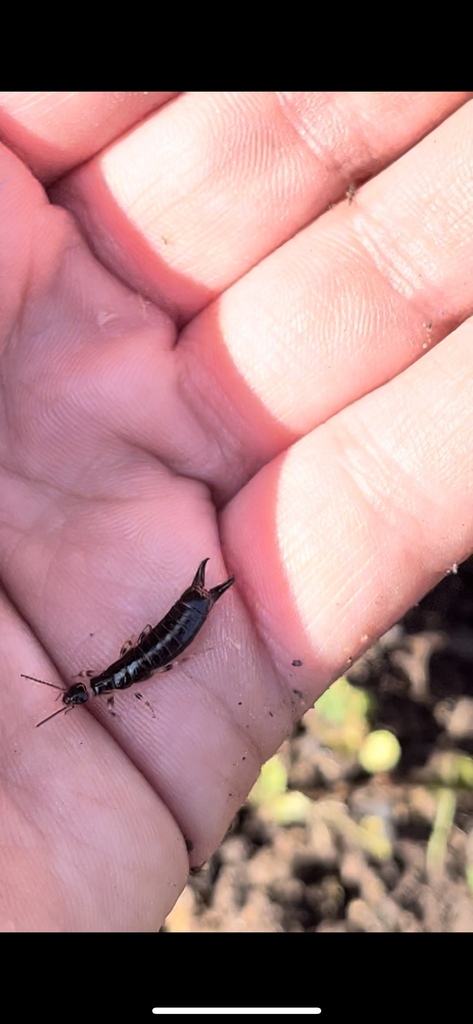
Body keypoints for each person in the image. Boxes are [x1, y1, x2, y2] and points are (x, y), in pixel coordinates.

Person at [0, 90, 471, 931]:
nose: (82, 691)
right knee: (161, 644)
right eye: (82, 693)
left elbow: (140, 661)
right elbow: (143, 661)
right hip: (165, 653)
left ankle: (200, 599)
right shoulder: (107, 692)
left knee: (160, 644)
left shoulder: (105, 686)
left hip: (164, 648)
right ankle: (200, 599)